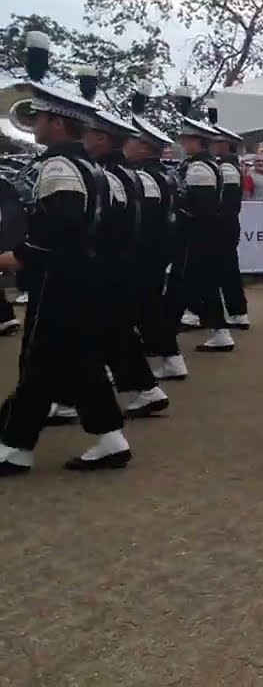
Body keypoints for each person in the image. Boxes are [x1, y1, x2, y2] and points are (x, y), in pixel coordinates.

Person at [0, 31, 131, 476]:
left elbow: (60, 229)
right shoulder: (93, 168)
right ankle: (110, 439)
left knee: (41, 361)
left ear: (58, 124)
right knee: (77, 360)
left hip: (61, 277)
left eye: (38, 118)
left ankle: (15, 448)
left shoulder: (59, 166)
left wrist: (18, 256)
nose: (32, 124)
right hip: (84, 274)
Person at [81, 89, 171, 418]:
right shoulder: (127, 174)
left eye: (89, 133)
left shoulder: (111, 175)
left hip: (110, 261)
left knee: (95, 327)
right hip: (124, 259)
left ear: (103, 139)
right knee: (114, 327)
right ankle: (143, 388)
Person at [122, 83, 186, 381]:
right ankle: (168, 358)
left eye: (132, 141)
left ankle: (164, 360)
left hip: (145, 252)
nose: (126, 146)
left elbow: (142, 219)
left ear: (145, 148)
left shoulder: (146, 178)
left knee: (142, 307)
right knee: (148, 306)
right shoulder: (164, 175)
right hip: (158, 250)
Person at [172, 87, 237, 353]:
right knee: (200, 282)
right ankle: (217, 330)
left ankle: (168, 337)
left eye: (186, 139)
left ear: (197, 141)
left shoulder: (199, 167)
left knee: (190, 283)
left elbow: (200, 207)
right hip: (205, 234)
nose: (182, 142)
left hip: (198, 235)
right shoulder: (207, 164)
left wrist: (179, 218)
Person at [204, 102, 250, 330]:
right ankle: (237, 311)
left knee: (223, 268)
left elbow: (227, 201)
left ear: (225, 144)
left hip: (224, 223)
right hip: (226, 223)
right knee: (226, 268)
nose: (212, 146)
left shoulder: (227, 168)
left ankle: (236, 311)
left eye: (216, 142)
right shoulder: (225, 166)